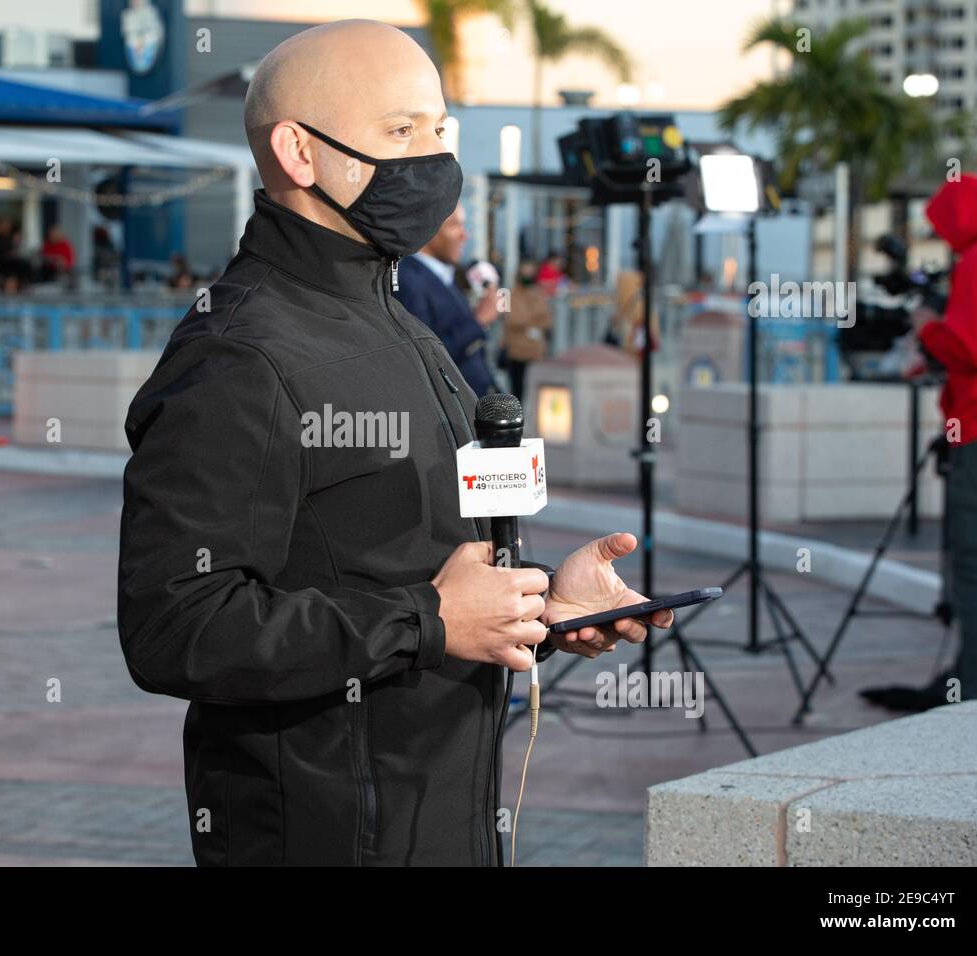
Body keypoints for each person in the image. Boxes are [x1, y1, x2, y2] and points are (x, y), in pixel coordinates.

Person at [116, 19, 671, 867]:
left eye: (441, 130)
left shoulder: (404, 324)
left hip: (446, 816)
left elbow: (414, 561)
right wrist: (427, 622)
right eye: (400, 132)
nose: (434, 159)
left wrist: (539, 606)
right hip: (324, 834)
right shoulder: (240, 354)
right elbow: (174, 624)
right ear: (300, 153)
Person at [874, 174, 977, 711]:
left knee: (975, 560)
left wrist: (928, 328)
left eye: (947, 227)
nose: (946, 239)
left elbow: (973, 350)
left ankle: (975, 690)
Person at [393, 204, 499, 396]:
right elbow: (425, 356)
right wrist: (478, 321)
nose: (464, 236)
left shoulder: (444, 275)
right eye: (454, 226)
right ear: (428, 228)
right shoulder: (409, 281)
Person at [499, 260, 553, 404]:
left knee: (538, 393)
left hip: (536, 352)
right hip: (516, 352)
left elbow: (547, 320)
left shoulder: (538, 294)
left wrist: (529, 320)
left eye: (531, 273)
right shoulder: (509, 294)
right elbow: (513, 319)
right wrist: (534, 319)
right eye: (525, 273)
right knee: (517, 393)